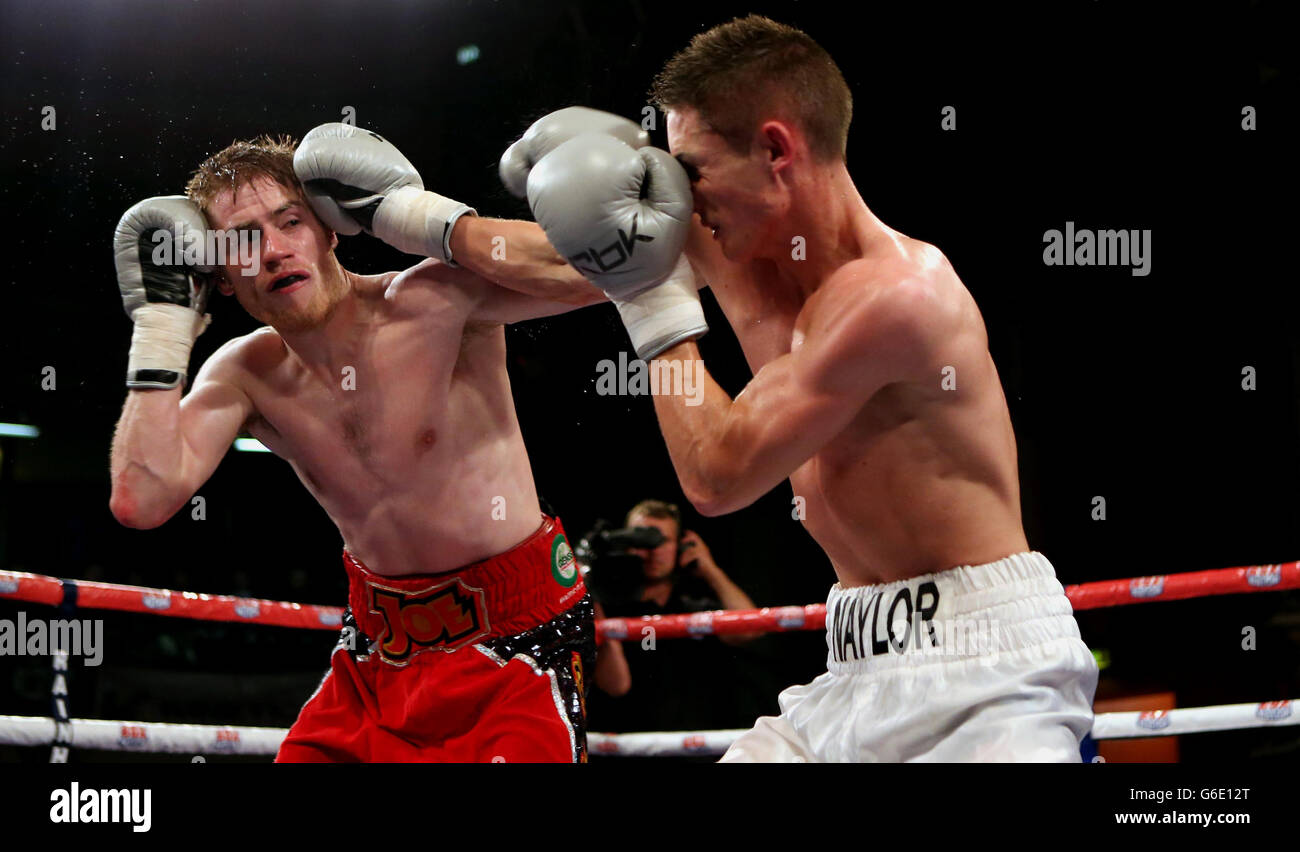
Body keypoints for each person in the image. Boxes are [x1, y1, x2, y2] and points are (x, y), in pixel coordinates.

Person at [500, 16, 1098, 761]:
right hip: (855, 666)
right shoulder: (739, 240)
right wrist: (408, 218)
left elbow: (716, 477)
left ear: (776, 150)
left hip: (986, 674)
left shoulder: (899, 297)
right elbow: (578, 253)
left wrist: (644, 297)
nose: (684, 195)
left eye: (694, 166)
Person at [107, 124, 618, 762]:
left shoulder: (436, 300)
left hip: (518, 636)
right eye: (241, 241)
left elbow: (610, 265)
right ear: (223, 279)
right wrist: (161, 328)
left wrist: (421, 217)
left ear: (328, 230)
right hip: (378, 657)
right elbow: (141, 498)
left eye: (289, 222)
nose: (270, 251)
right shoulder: (246, 374)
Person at [589, 500, 759, 733]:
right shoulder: (606, 609)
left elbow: (751, 630)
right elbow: (614, 685)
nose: (652, 549)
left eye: (663, 540)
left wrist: (710, 570)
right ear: (626, 543)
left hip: (700, 751)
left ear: (680, 546)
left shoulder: (695, 609)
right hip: (630, 749)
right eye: (642, 538)